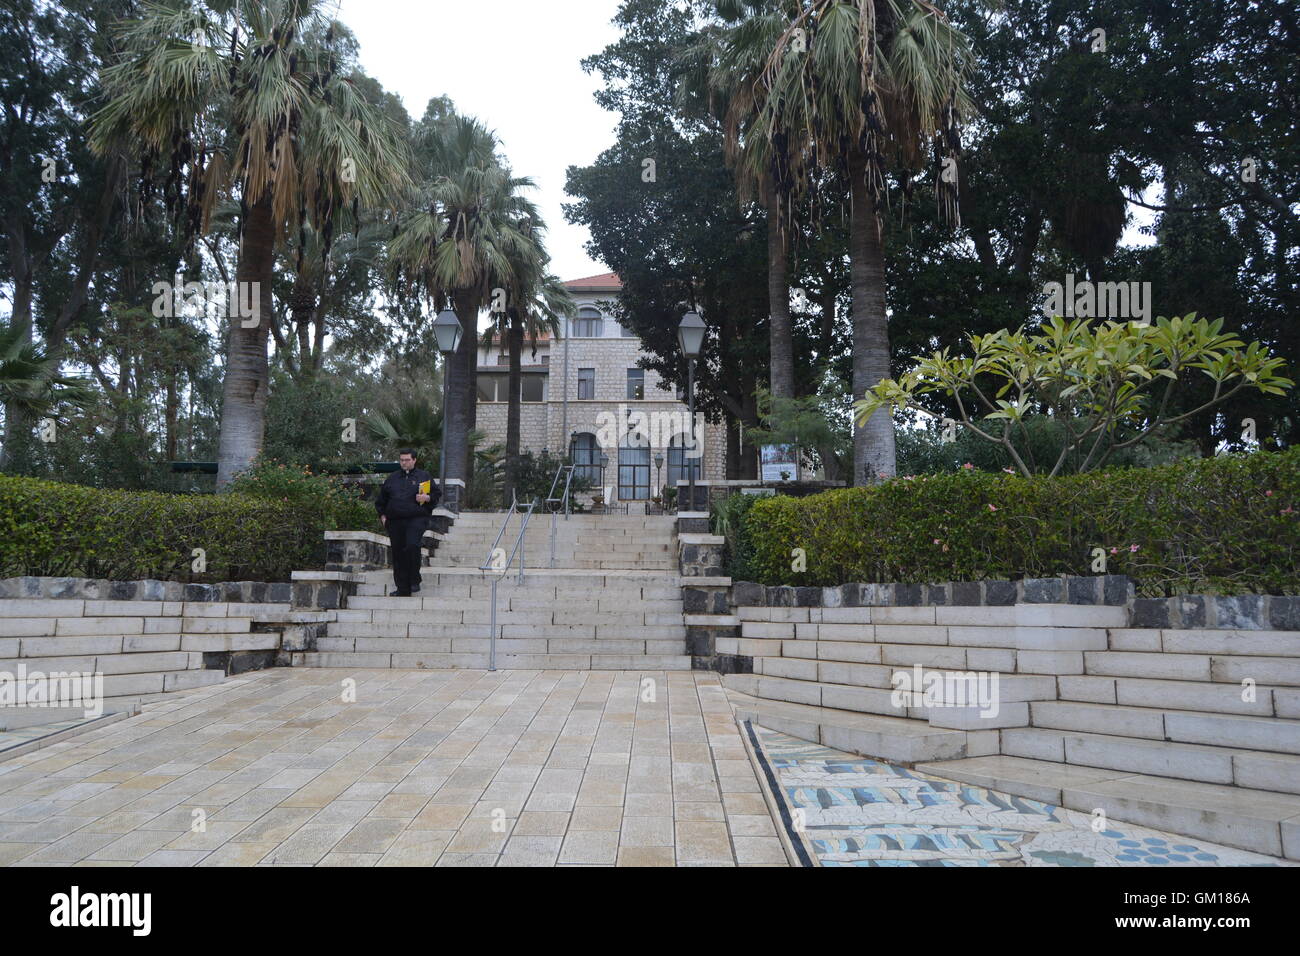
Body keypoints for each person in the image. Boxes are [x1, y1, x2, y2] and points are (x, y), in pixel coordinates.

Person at [375, 449, 439, 596]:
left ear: (414, 460)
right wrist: (383, 517)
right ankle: (403, 589)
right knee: (398, 554)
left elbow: (436, 494)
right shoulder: (392, 478)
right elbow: (381, 501)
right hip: (395, 521)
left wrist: (427, 499)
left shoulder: (424, 476)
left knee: (412, 545)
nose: (404, 463)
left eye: (407, 460)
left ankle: (414, 579)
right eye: (402, 460)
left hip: (416, 519)